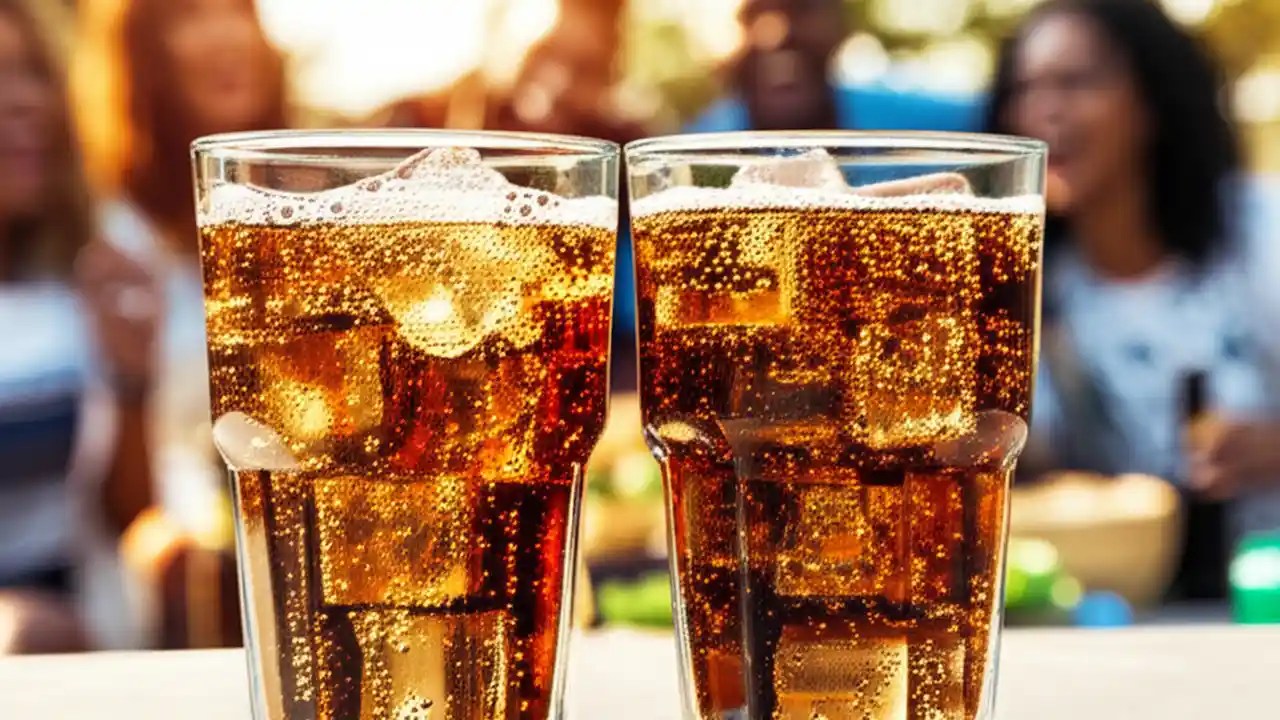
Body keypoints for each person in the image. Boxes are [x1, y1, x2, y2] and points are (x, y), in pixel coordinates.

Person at [988, 0, 1280, 599]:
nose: (1045, 110)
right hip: (1142, 629)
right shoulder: (1030, 288)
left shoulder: (1258, 234)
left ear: (1152, 101)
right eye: (1025, 87)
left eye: (1076, 82)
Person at [71, 0, 288, 648]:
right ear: (141, 59)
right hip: (152, 575)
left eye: (237, 11)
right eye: (190, 16)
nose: (226, 37)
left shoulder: (301, 221)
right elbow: (118, 503)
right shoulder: (106, 242)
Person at [687, 0, 983, 133]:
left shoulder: (921, 122)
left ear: (842, 26)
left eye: (801, 8)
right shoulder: (691, 154)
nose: (776, 35)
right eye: (752, 14)